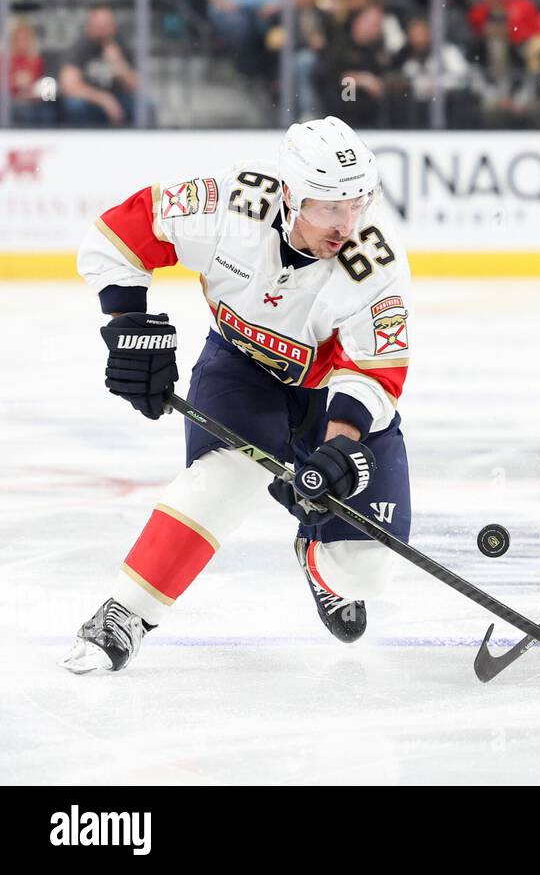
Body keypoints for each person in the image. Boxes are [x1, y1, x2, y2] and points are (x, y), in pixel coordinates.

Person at [64, 117, 413, 673]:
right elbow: (116, 236)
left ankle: (317, 552)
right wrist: (129, 328)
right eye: (330, 206)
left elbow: (374, 366)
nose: (347, 223)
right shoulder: (230, 202)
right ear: (290, 194)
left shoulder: (373, 258)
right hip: (240, 369)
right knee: (225, 478)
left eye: (357, 203)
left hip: (328, 395)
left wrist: (341, 445)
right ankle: (125, 613)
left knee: (365, 565)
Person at [59, 7, 143, 127]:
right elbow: (69, 86)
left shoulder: (121, 46)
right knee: (75, 105)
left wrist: (119, 64)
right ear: (89, 28)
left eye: (106, 26)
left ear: (114, 28)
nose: (102, 31)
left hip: (119, 99)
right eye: (98, 26)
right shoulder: (81, 47)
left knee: (144, 106)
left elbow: (136, 85)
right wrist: (104, 99)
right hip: (90, 100)